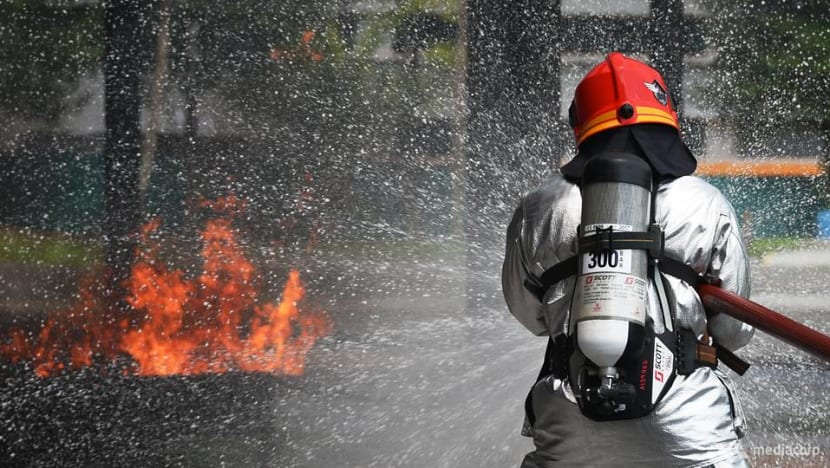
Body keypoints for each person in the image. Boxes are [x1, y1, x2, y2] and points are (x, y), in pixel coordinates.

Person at [501, 52, 755, 467]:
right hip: (687, 423)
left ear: (581, 124)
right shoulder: (706, 204)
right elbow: (734, 332)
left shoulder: (538, 208)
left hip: (570, 421)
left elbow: (530, 317)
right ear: (666, 117)